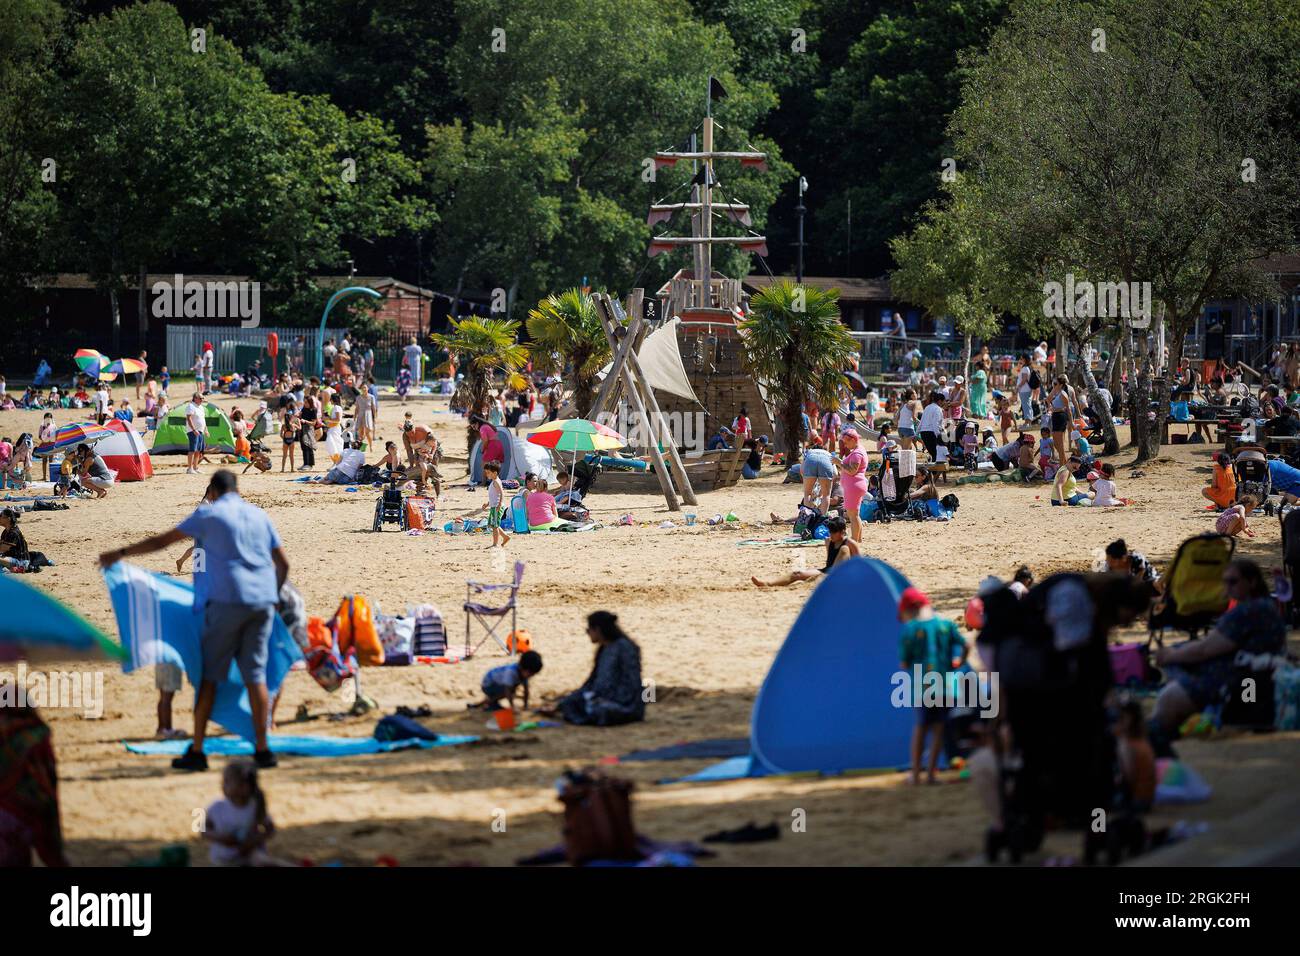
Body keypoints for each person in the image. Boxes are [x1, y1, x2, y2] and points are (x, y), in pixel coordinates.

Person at [100, 470, 290, 771]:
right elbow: (283, 564)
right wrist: (272, 594)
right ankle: (263, 750)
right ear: (236, 489)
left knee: (209, 678)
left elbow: (162, 541)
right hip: (261, 603)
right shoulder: (258, 515)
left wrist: (120, 553)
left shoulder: (208, 515)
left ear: (213, 491)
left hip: (225, 604)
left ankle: (198, 751)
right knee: (255, 677)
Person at [1152, 559, 1285, 739]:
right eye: (1225, 582)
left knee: (1170, 693)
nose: (1227, 587)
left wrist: (1171, 655)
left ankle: (1160, 736)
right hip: (1256, 682)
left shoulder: (1245, 612)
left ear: (1252, 582)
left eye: (1233, 582)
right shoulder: (1267, 606)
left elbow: (1205, 650)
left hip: (1239, 682)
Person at [897, 586, 968, 785]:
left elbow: (904, 662)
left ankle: (916, 774)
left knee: (921, 727)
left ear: (909, 610)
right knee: (938, 728)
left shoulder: (910, 630)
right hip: (946, 684)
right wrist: (959, 661)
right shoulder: (945, 624)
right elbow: (966, 644)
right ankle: (931, 775)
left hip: (923, 684)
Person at [543, 611, 645, 727]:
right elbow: (592, 681)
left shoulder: (625, 648)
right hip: (600, 697)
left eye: (589, 630)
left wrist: (602, 697)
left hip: (623, 703)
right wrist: (561, 704)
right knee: (569, 702)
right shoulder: (603, 650)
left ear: (598, 630)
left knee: (601, 710)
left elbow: (631, 682)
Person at [204, 759, 289, 866]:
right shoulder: (217, 807)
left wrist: (253, 842)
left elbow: (270, 829)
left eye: (226, 781)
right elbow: (203, 829)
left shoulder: (255, 807)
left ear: (244, 787)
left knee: (264, 862)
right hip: (224, 857)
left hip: (251, 855)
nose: (222, 785)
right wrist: (219, 837)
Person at [752, 515, 859, 587]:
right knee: (797, 574)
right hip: (827, 572)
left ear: (843, 531)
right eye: (830, 532)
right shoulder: (828, 541)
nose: (831, 535)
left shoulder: (850, 544)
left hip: (843, 574)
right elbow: (830, 562)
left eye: (834, 532)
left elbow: (860, 565)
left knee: (844, 549)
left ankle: (831, 579)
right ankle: (768, 583)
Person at [472, 651, 543, 711]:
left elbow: (526, 691)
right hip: (488, 685)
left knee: (513, 688)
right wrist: (512, 707)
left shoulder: (524, 673)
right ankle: (490, 703)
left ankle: (485, 703)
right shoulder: (511, 672)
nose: (532, 676)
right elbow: (507, 691)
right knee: (511, 690)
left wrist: (525, 706)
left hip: (498, 684)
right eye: (531, 673)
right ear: (522, 667)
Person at [835, 431, 869, 542]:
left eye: (846, 442)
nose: (845, 445)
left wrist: (839, 462)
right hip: (855, 485)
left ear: (853, 440)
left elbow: (852, 470)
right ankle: (858, 539)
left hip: (853, 486)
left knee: (852, 515)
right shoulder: (859, 450)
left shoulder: (857, 453)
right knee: (855, 515)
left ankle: (854, 540)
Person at [799, 441, 837, 510]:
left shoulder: (809, 453)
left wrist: (807, 482)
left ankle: (808, 516)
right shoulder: (828, 454)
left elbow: (802, 470)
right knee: (826, 495)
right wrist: (824, 488)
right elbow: (835, 474)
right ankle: (823, 517)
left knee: (807, 494)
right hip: (825, 463)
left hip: (811, 461)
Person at [482, 461, 510, 548]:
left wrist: (499, 504)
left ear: (495, 473)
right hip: (494, 506)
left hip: (497, 507)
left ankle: (495, 544)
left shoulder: (496, 482)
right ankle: (505, 537)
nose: (487, 475)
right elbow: (494, 496)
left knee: (495, 526)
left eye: (488, 473)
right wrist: (488, 503)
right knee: (493, 524)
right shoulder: (493, 481)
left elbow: (501, 493)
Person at [185, 392, 207, 475]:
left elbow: (203, 419)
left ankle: (195, 467)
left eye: (202, 398)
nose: (202, 400)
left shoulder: (201, 407)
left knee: (198, 450)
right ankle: (189, 468)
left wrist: (206, 429)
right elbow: (189, 418)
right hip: (193, 431)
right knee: (192, 450)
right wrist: (194, 429)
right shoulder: (191, 406)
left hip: (200, 431)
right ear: (195, 398)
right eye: (201, 398)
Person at [918, 390, 944, 461]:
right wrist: (938, 436)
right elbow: (935, 423)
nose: (942, 404)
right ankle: (935, 471)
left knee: (933, 454)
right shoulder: (938, 409)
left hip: (923, 433)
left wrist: (916, 433)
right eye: (942, 402)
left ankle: (933, 470)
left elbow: (921, 422)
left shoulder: (927, 407)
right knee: (936, 454)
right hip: (931, 433)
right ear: (939, 401)